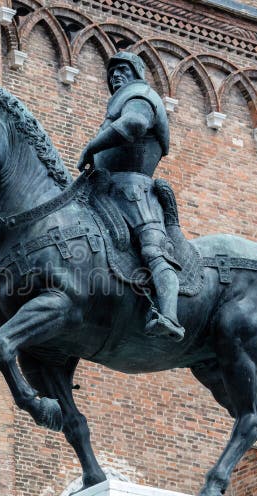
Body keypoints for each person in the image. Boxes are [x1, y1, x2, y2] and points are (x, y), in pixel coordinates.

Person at [77, 51, 184, 341]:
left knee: (152, 249)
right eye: (111, 72)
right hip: (105, 188)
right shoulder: (120, 102)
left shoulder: (141, 96)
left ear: (136, 73)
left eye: (122, 70)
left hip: (135, 190)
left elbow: (134, 124)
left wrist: (92, 147)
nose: (115, 76)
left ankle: (170, 316)